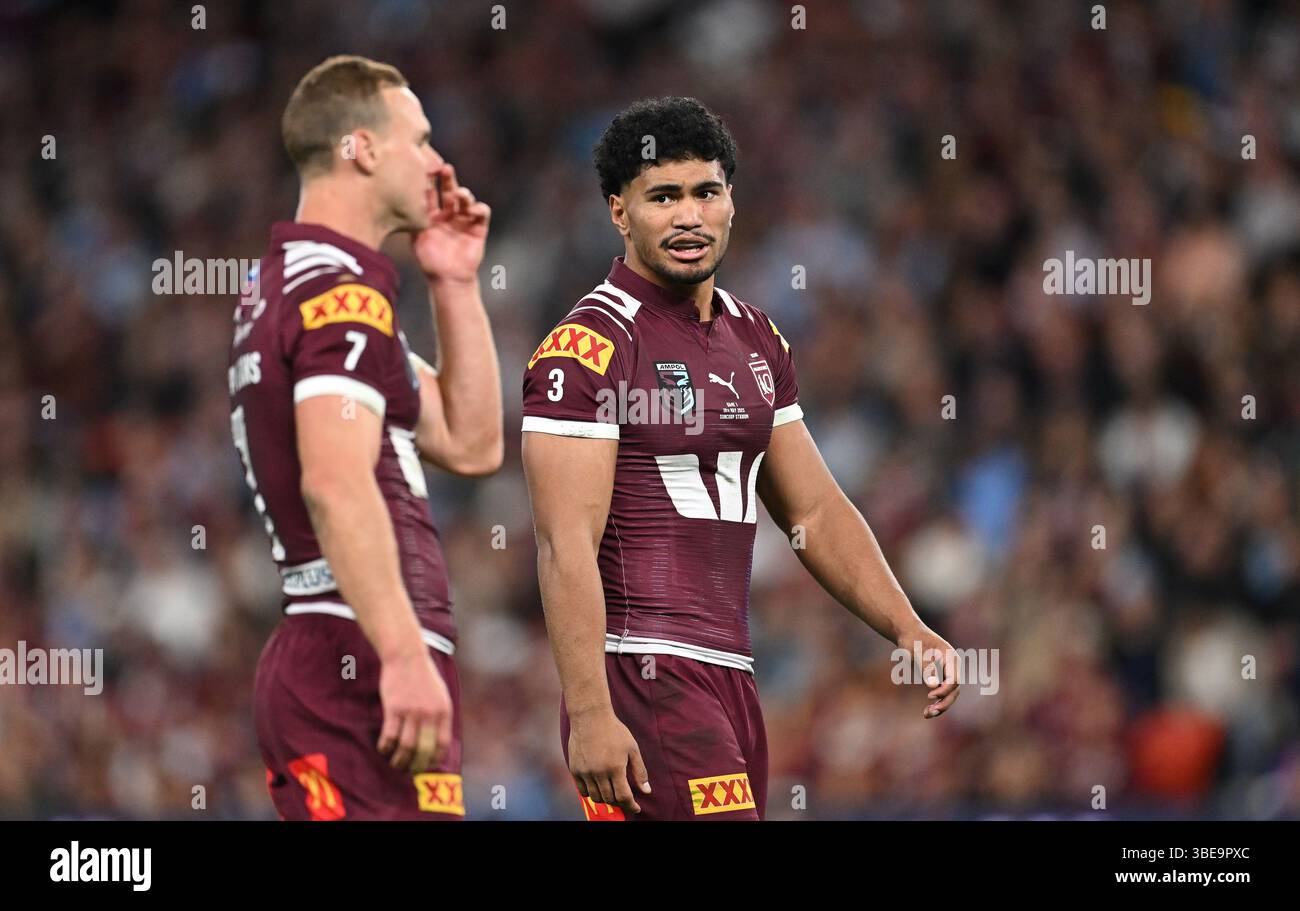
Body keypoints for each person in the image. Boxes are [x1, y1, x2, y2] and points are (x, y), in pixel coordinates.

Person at [521, 96, 957, 821]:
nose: (689, 216)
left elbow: (813, 508)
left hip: (732, 678)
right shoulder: (588, 348)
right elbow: (564, 542)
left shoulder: (757, 339)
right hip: (644, 671)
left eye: (706, 192)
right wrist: (592, 710)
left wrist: (906, 625)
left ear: (731, 201)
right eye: (663, 196)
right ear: (619, 212)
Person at [228, 55, 499, 820]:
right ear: (363, 148)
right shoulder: (336, 294)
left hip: (352, 648)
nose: (439, 163)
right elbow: (336, 482)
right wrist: (403, 650)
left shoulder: (309, 286)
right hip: (352, 654)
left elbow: (473, 443)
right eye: (419, 139)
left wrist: (453, 281)